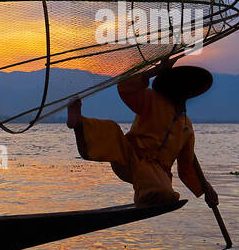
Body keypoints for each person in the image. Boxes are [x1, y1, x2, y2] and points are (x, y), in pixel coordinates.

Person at [67, 59, 218, 209]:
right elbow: (126, 87)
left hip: (156, 172)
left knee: (163, 191)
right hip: (129, 156)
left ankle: (150, 195)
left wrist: (206, 189)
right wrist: (155, 71)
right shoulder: (152, 99)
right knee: (111, 131)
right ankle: (79, 124)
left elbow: (187, 167)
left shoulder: (187, 127)